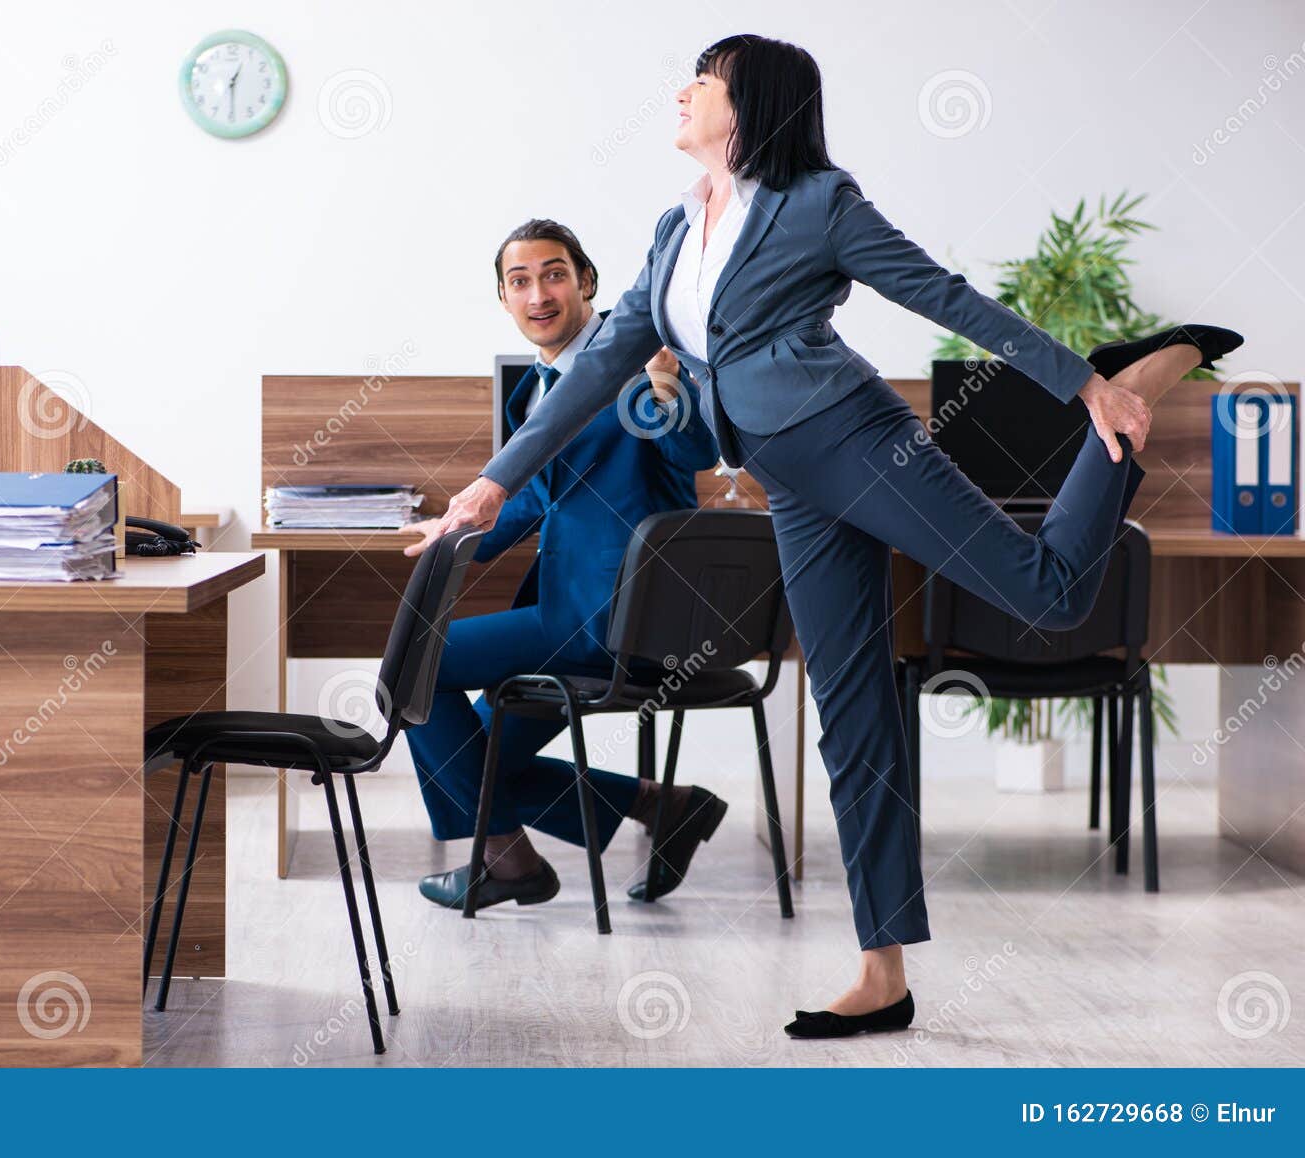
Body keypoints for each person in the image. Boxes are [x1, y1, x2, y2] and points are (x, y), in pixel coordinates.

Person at [404, 34, 1242, 1035]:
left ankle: (1137, 385)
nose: (680, 93)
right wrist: (492, 483)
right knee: (851, 714)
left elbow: (944, 295)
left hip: (852, 442)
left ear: (746, 107)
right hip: (788, 479)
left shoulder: (818, 204)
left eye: (701, 82)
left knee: (1051, 595)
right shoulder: (677, 231)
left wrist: (1085, 383)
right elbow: (594, 368)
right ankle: (881, 972)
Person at [410, 218, 725, 913]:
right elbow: (533, 501)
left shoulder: (641, 356)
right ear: (504, 299)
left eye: (554, 274)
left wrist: (667, 391)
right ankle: (661, 805)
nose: (538, 294)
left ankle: (508, 859)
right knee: (479, 758)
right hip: (570, 613)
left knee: (415, 665)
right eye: (519, 282)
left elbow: (696, 454)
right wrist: (456, 535)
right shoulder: (537, 390)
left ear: (586, 282)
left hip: (616, 618)